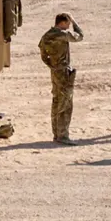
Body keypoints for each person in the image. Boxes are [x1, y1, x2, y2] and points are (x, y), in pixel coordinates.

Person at [39, 13, 84, 144]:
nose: (68, 26)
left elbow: (43, 54)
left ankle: (56, 134)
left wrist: (52, 65)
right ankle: (63, 136)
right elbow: (80, 36)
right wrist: (75, 21)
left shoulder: (47, 35)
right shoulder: (62, 34)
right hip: (63, 71)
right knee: (66, 103)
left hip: (55, 71)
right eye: (68, 23)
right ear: (63, 22)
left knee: (56, 101)